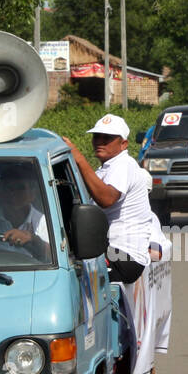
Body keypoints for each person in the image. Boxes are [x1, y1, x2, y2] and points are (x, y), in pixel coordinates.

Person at [62, 114, 152, 284]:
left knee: (68, 279)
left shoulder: (123, 164)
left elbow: (107, 199)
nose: (100, 142)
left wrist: (79, 158)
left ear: (123, 144)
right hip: (112, 251)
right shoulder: (105, 169)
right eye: (97, 136)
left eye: (108, 138)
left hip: (123, 256)